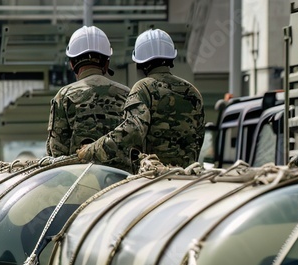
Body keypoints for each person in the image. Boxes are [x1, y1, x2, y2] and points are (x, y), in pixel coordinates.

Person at [77, 28, 205, 172]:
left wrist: (92, 150)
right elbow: (198, 138)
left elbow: (131, 130)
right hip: (188, 178)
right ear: (171, 59)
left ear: (140, 64)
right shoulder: (193, 92)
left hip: (153, 178)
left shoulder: (144, 88)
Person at [46, 26, 130, 169]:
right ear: (106, 63)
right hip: (123, 183)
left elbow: (56, 153)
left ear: (72, 64)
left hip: (80, 181)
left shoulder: (64, 96)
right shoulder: (127, 94)